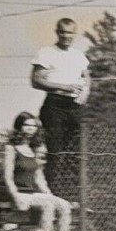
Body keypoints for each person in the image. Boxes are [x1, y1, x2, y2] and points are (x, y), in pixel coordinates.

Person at [31, 18, 90, 201]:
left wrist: (85, 93)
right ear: (57, 32)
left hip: (74, 106)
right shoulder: (46, 53)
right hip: (55, 105)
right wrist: (64, 87)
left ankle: (72, 196)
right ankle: (53, 196)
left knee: (75, 153)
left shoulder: (78, 55)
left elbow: (87, 76)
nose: (66, 36)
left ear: (75, 34)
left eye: (70, 32)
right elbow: (36, 80)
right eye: (63, 32)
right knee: (55, 152)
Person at [3, 112, 72, 231]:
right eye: (26, 125)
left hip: (34, 194)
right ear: (19, 127)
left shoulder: (34, 150)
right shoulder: (11, 148)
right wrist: (15, 195)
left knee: (64, 205)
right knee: (48, 206)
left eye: (33, 126)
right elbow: (7, 176)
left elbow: (39, 177)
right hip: (21, 193)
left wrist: (49, 194)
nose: (30, 128)